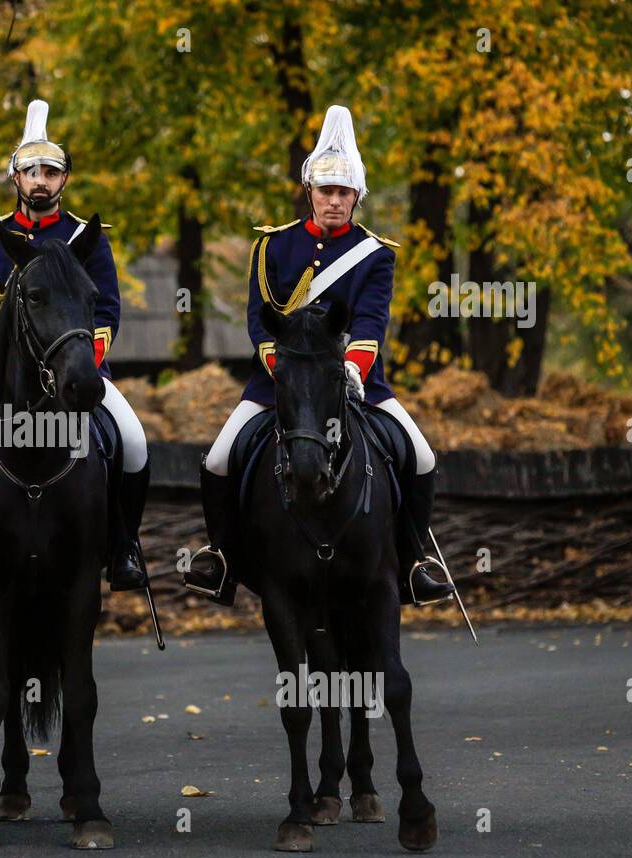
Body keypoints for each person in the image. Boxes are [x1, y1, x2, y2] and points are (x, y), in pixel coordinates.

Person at [183, 104, 455, 608]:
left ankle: (415, 562)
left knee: (422, 456)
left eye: (344, 193)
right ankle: (219, 557)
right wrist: (281, 370)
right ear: (310, 191)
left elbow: (371, 323)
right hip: (278, 381)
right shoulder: (273, 246)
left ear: (357, 197)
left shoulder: (375, 255)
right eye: (326, 191)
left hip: (355, 381)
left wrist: (353, 368)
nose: (335, 201)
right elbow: (257, 318)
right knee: (219, 458)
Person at [0, 99, 150, 590]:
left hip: (76, 371)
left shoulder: (87, 237)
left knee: (134, 441)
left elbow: (105, 310)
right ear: (15, 178)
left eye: (50, 171)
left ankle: (124, 547)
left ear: (64, 180)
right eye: (31, 171)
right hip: (1, 376)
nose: (40, 180)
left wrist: (85, 362)